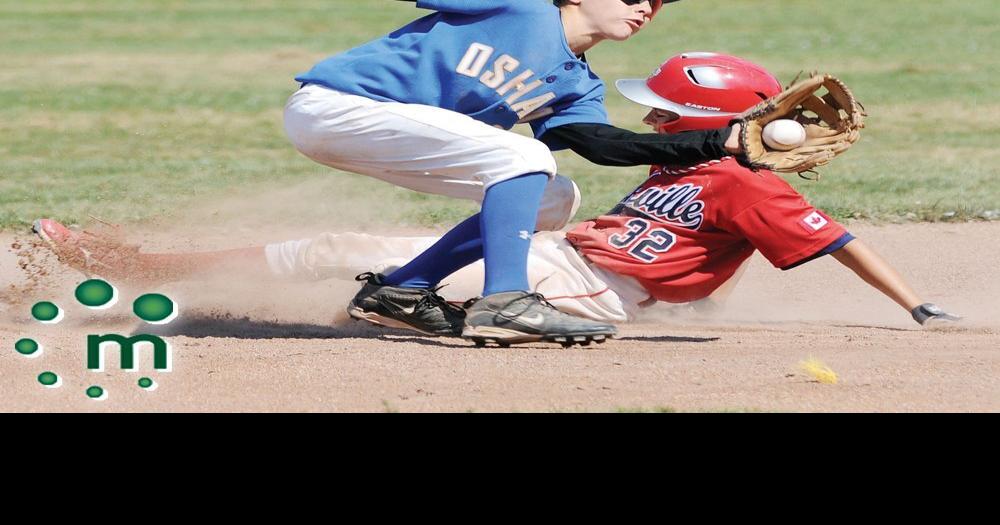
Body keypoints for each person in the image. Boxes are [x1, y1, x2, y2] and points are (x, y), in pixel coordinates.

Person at [33, 53, 960, 338]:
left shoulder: (749, 188)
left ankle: (146, 273)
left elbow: (836, 240)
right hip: (562, 260)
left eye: (665, 109)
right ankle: (141, 267)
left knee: (356, 275)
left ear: (700, 120)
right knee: (340, 251)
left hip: (588, 291)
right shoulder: (677, 166)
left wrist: (917, 307)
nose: (649, 116)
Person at [283, 0, 745, 346]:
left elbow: (603, 146)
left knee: (555, 197)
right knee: (523, 155)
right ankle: (505, 300)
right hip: (338, 107)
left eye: (654, 2)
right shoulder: (519, 6)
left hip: (389, 134)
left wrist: (718, 142)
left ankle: (402, 291)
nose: (645, 7)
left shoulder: (578, 86)